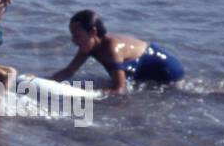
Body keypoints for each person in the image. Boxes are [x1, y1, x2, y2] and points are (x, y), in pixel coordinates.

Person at [51, 10, 185, 95]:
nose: (74, 40)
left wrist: (86, 94)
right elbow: (68, 72)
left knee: (168, 93)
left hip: (167, 68)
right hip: (147, 65)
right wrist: (41, 81)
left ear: (92, 32)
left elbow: (120, 89)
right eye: (72, 35)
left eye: (77, 35)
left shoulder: (111, 49)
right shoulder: (88, 46)